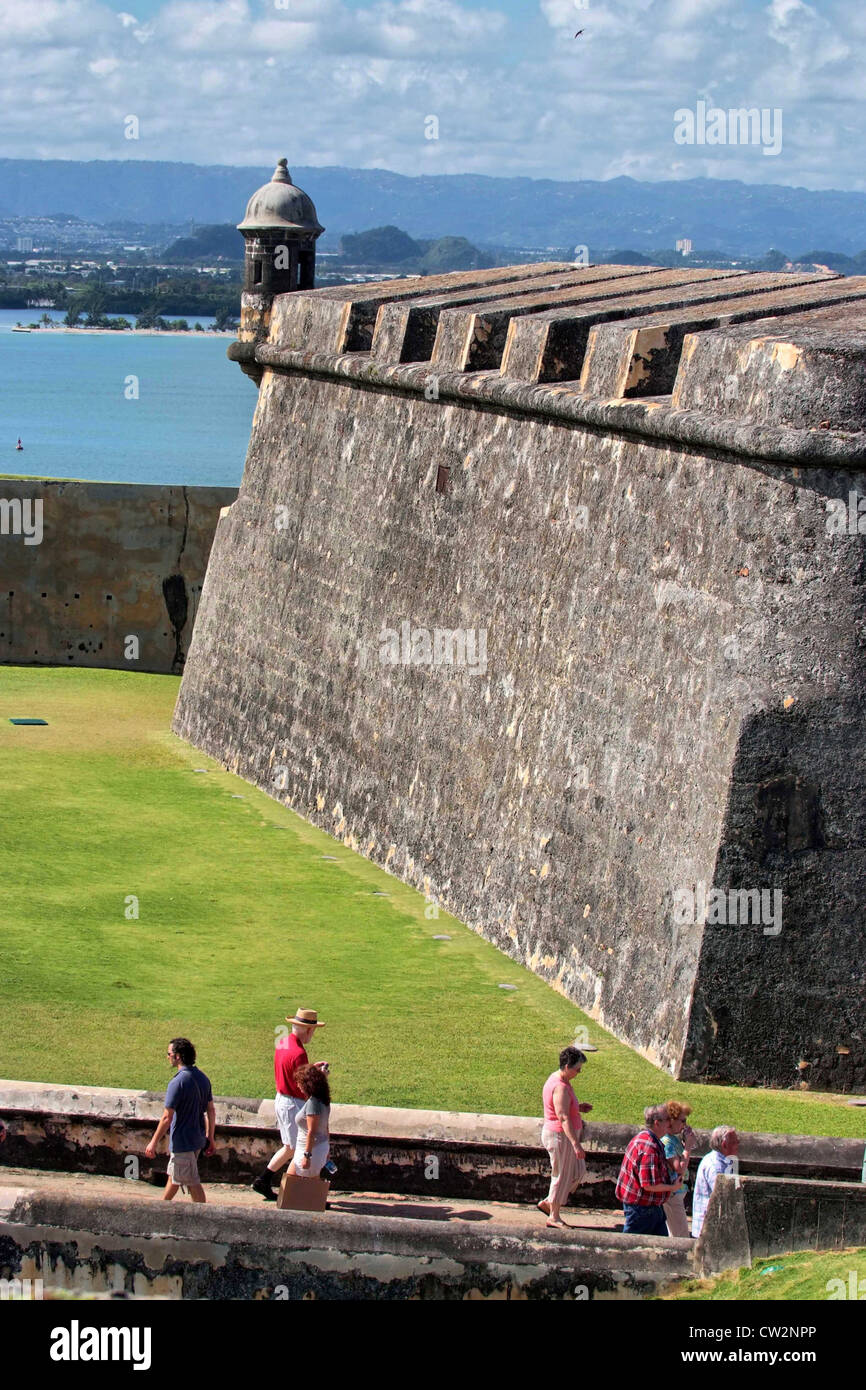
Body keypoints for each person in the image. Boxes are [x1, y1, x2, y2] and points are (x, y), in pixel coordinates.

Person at [252, 1007, 327, 1200]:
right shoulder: (300, 1053)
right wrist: (318, 1076)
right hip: (293, 1103)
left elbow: (291, 1070)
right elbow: (304, 1085)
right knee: (299, 1150)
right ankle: (298, 1195)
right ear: (309, 1030)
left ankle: (265, 1179)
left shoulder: (283, 1042)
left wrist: (310, 1069)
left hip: (282, 1098)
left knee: (290, 1147)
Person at [144, 1037, 215, 1203]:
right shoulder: (203, 1078)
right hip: (197, 1139)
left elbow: (167, 1117)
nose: (167, 1057)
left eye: (169, 1054)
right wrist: (210, 1137)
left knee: (191, 1182)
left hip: (183, 1141)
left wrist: (153, 1142)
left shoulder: (177, 1083)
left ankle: (203, 1215)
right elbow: (210, 1110)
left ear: (178, 1056)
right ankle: (161, 1208)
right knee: (175, 1177)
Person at [538, 1045, 592, 1229]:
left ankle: (550, 1201)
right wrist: (576, 1144)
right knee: (561, 1175)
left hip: (563, 1135)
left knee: (577, 1171)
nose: (579, 1072)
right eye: (577, 1069)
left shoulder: (561, 1081)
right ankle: (554, 1215)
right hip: (560, 1136)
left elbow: (565, 1109)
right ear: (567, 1066)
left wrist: (578, 1107)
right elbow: (562, 1117)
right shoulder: (560, 1086)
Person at [615, 1104, 684, 1236]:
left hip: (650, 1207)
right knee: (631, 1250)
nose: (671, 1122)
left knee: (660, 1249)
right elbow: (650, 1185)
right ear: (657, 1123)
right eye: (667, 1119)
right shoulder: (649, 1147)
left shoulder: (648, 1139)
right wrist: (672, 1187)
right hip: (642, 1209)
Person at [691, 1126, 739, 1237]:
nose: (738, 1144)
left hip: (713, 1225)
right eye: (735, 1142)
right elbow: (723, 1196)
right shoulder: (715, 1166)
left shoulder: (725, 1161)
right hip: (710, 1229)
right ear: (724, 1145)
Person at [287, 1064, 332, 1178]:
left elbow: (311, 1131)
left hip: (310, 1150)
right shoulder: (322, 1100)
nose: (298, 1086)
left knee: (291, 1185)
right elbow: (325, 1128)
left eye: (299, 1082)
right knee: (308, 1186)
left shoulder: (313, 1102)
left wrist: (307, 1156)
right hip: (318, 1148)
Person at [662, 1100, 695, 1237]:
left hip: (676, 1193)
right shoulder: (667, 1141)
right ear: (671, 1121)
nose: (684, 1125)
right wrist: (687, 1147)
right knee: (681, 1236)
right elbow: (679, 1168)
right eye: (682, 1121)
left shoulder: (672, 1139)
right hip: (672, 1195)